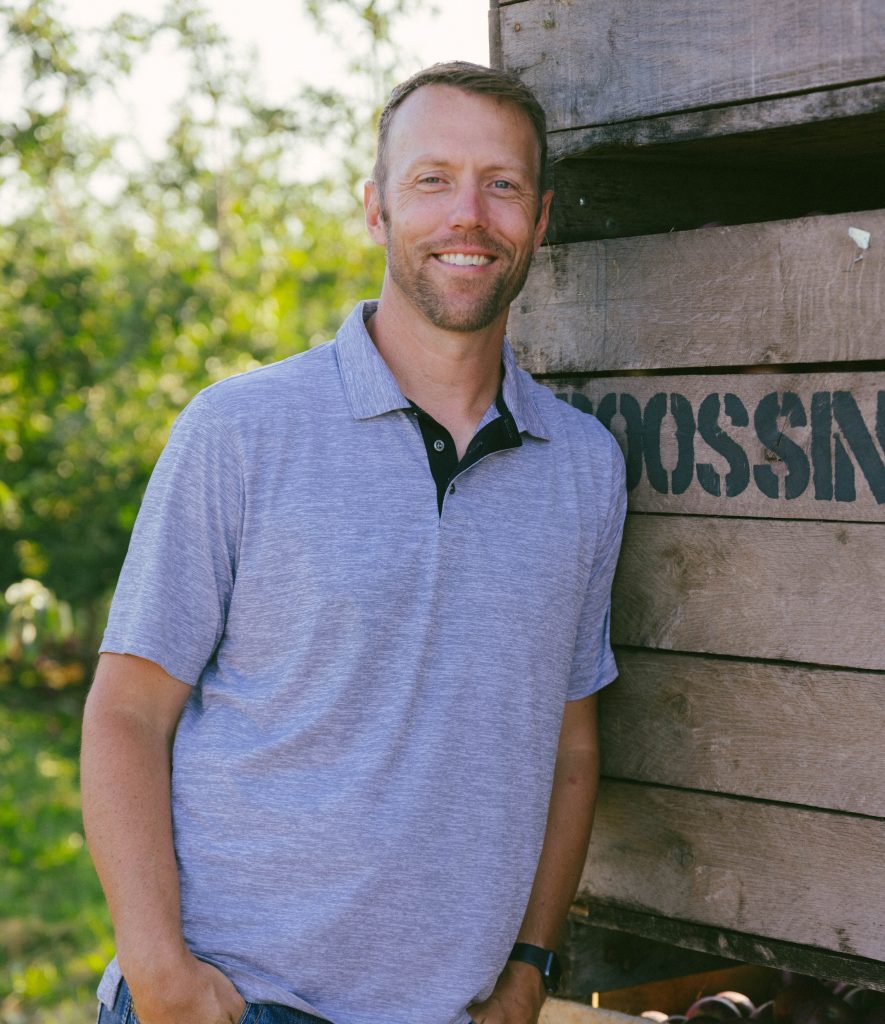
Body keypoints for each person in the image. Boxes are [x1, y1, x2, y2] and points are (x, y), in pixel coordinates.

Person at [81, 61, 627, 1024]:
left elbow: (570, 742)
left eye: (500, 185)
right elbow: (126, 712)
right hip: (238, 997)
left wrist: (534, 963)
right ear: (376, 209)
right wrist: (161, 975)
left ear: (539, 220)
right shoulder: (240, 430)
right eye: (432, 180)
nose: (469, 214)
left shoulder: (582, 467)